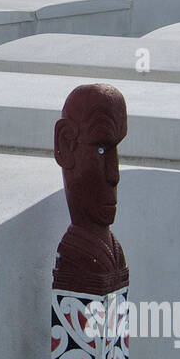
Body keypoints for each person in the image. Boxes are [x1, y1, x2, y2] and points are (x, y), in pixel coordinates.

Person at [52, 83, 128, 294]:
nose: (114, 175)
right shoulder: (78, 254)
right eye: (101, 149)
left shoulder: (112, 251)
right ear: (66, 144)